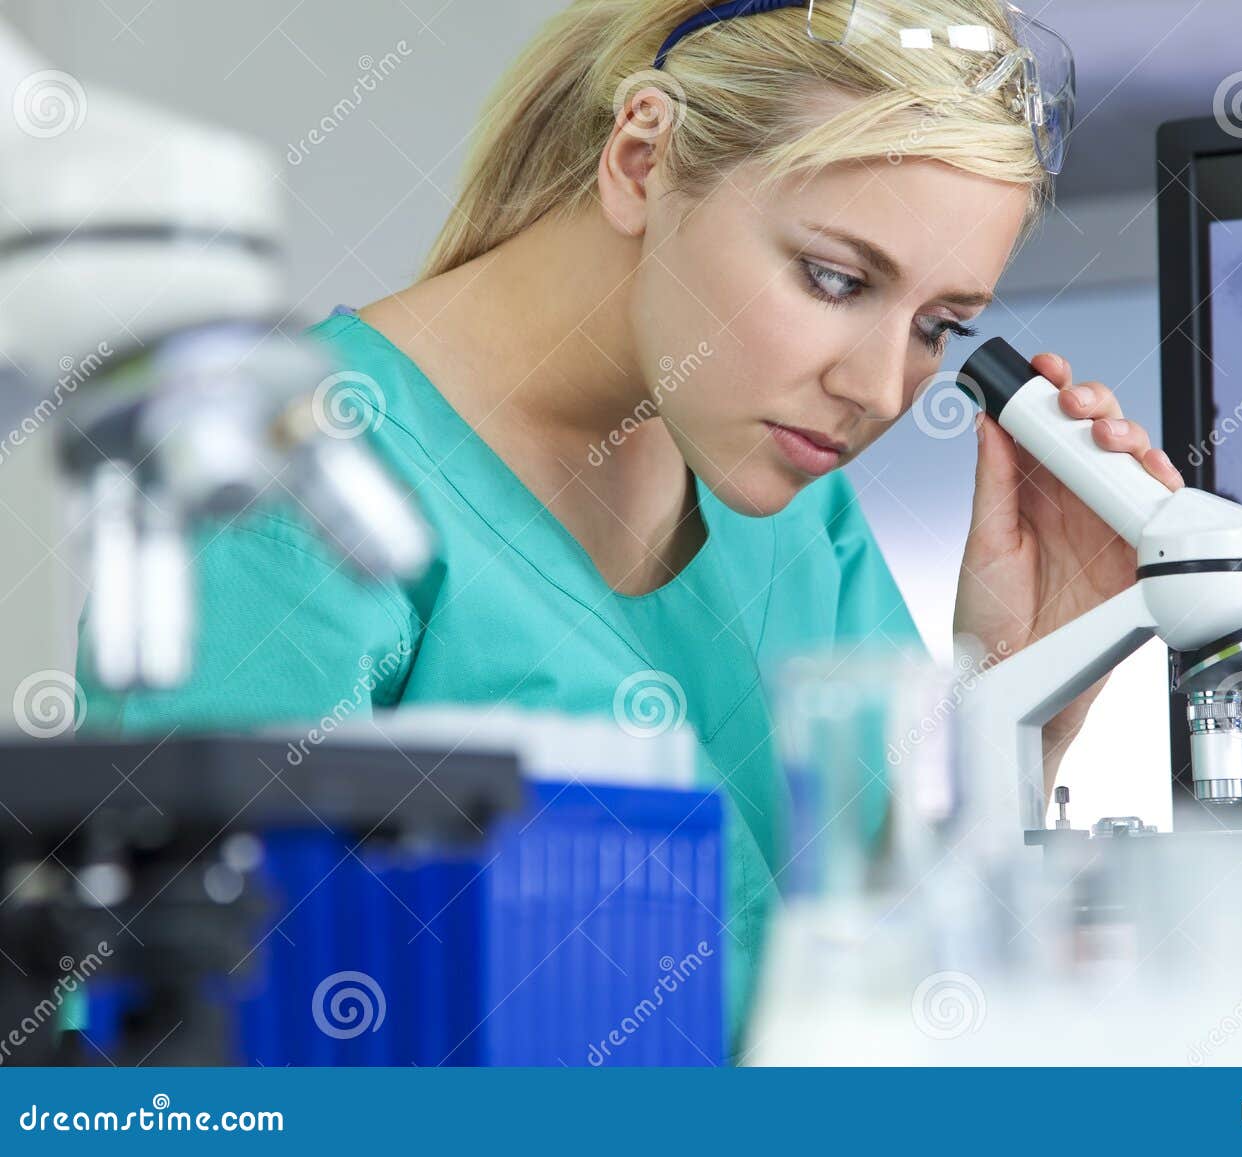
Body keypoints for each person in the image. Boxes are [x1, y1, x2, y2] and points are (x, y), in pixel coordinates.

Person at [78, 0, 1183, 1056]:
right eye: (834, 278)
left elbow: (905, 991)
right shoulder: (288, 496)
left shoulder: (795, 501)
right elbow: (207, 1064)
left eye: (939, 327)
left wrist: (1024, 701)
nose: (881, 386)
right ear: (641, 159)